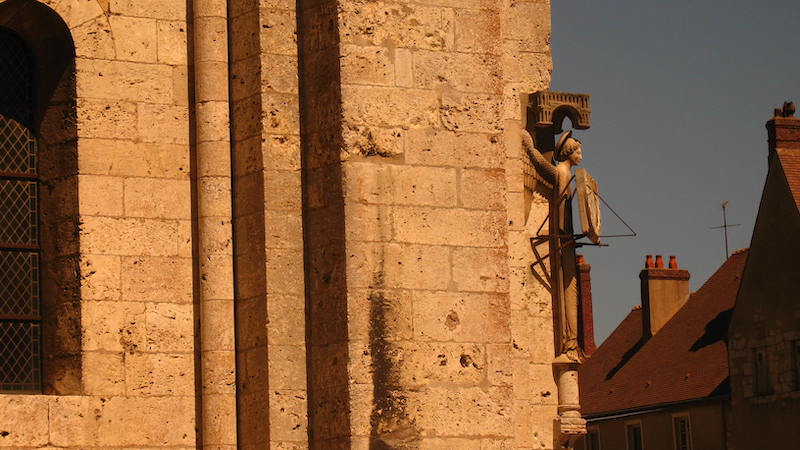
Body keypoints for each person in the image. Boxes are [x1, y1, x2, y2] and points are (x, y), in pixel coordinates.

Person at [522, 129, 583, 363]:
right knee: (568, 285)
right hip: (562, 237)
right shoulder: (561, 173)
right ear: (569, 152)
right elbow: (538, 161)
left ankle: (571, 342)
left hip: (566, 238)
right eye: (578, 151)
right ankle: (569, 343)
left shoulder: (565, 173)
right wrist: (527, 145)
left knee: (571, 286)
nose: (581, 155)